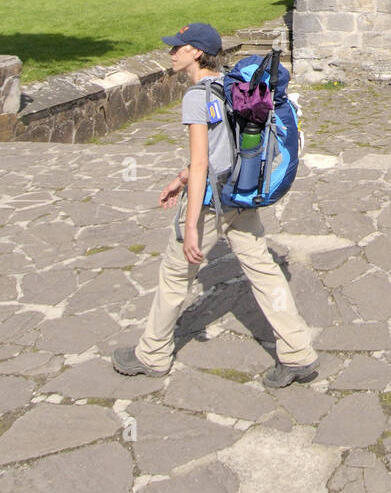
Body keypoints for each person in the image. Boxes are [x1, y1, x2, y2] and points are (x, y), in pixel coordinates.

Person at [112, 21, 319, 388]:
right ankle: (298, 353)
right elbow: (223, 149)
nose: (171, 53)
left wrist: (191, 224)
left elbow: (205, 163)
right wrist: (180, 178)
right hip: (242, 190)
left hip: (212, 202)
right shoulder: (228, 84)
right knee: (263, 270)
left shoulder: (196, 96)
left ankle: (152, 355)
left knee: (175, 275)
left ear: (195, 52)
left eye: (177, 47)